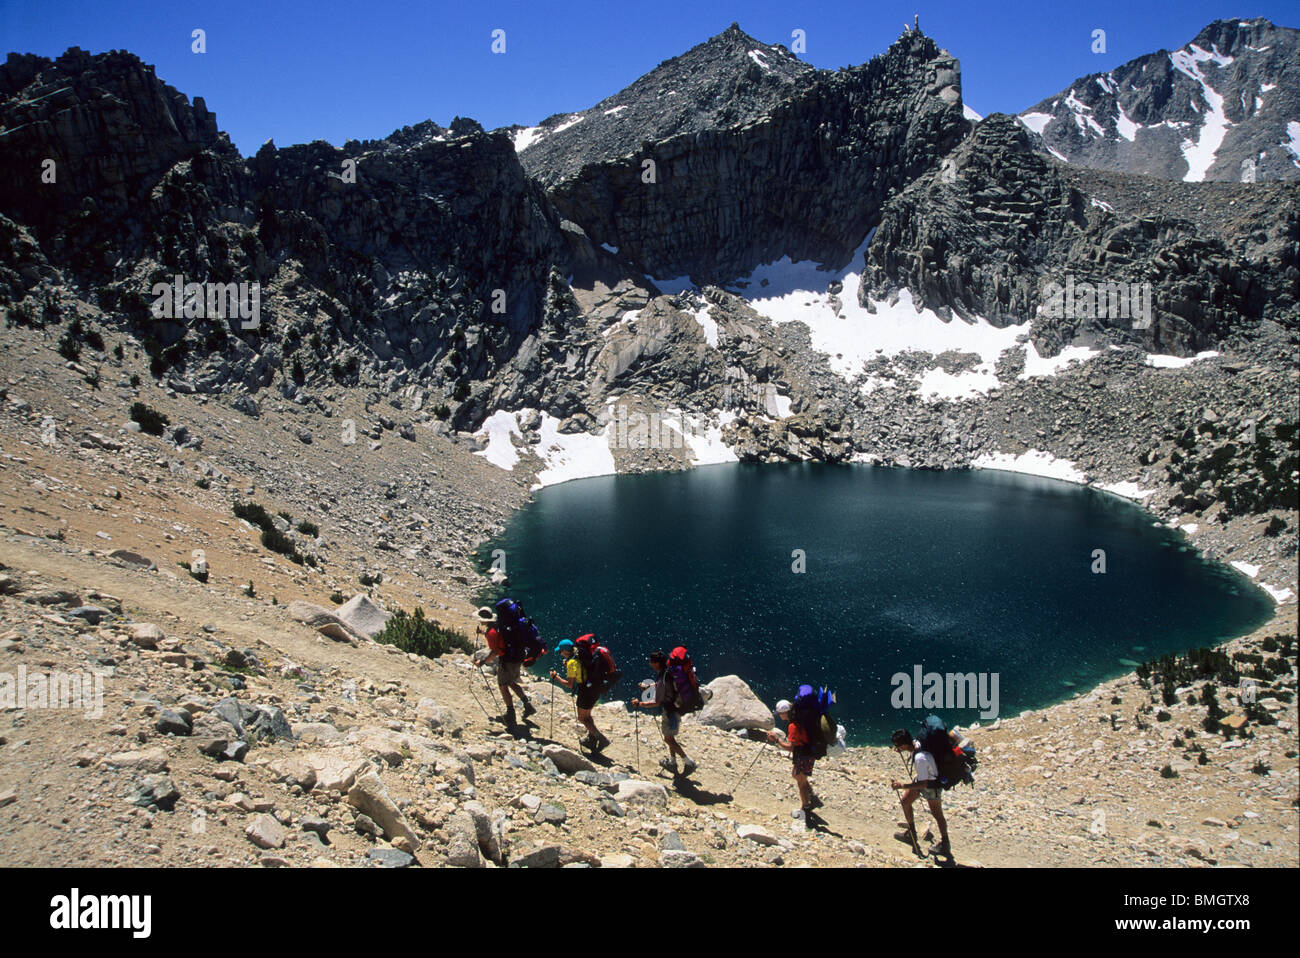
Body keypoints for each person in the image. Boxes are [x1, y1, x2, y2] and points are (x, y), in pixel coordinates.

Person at [629, 650, 696, 775]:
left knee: (669, 739)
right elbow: (662, 685)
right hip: (676, 708)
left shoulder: (663, 676)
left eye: (652, 662)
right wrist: (649, 686)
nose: (650, 664)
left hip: (670, 711)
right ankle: (672, 762)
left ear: (657, 663)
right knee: (670, 736)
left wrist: (640, 704)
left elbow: (657, 702)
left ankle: (688, 762)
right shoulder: (667, 672)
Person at [890, 727, 951, 856]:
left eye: (898, 746)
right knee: (905, 801)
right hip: (924, 779)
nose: (897, 748)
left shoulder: (920, 758)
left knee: (937, 815)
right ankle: (911, 835)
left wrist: (902, 785)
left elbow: (923, 784)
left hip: (931, 785)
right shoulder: (917, 743)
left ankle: (945, 844)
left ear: (905, 744)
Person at [476, 605, 536, 727]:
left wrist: (483, 662)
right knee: (511, 682)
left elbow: (495, 651)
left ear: (483, 620)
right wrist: (483, 633)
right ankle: (527, 705)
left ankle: (510, 714)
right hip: (517, 657)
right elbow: (500, 639)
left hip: (507, 660)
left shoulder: (491, 632)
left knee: (503, 685)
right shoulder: (499, 625)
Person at [549, 638, 610, 752]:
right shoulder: (579, 653)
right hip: (595, 688)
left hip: (585, 691)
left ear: (566, 651)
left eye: (561, 651)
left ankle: (602, 739)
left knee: (582, 718)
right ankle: (591, 740)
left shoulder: (572, 663)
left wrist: (555, 677)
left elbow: (570, 684)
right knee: (587, 716)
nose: (560, 653)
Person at [766, 698, 824, 815]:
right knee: (796, 775)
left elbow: (790, 747)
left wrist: (776, 740)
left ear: (785, 713)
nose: (779, 716)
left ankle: (806, 809)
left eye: (780, 714)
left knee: (800, 782)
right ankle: (812, 797)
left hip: (803, 754)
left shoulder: (793, 726)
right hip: (807, 753)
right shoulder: (800, 719)